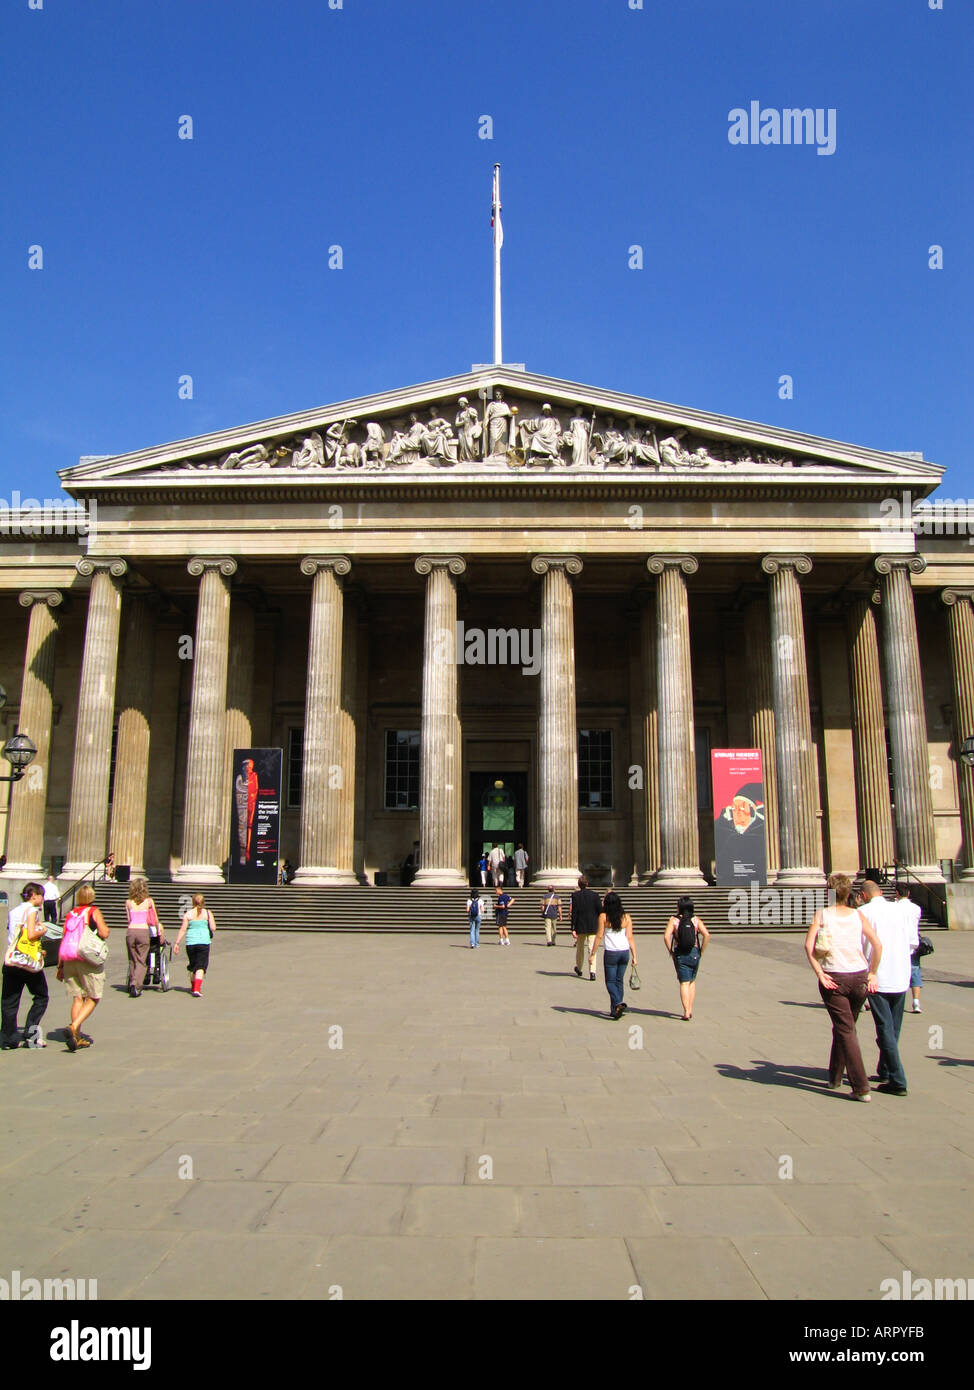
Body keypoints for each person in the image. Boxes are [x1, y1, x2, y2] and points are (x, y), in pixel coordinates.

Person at [804, 872, 882, 1101]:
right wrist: (873, 973)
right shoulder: (858, 916)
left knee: (846, 1030)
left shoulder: (823, 914)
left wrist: (820, 972)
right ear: (849, 892)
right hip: (859, 978)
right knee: (845, 1027)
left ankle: (861, 1087)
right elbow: (877, 945)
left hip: (834, 977)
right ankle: (835, 1076)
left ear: (829, 891)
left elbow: (809, 947)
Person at [858, 880, 912, 1096]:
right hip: (901, 974)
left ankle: (898, 1079)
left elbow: (860, 945)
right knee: (894, 1027)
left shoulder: (862, 912)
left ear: (863, 895)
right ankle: (885, 1069)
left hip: (877, 976)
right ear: (881, 892)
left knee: (884, 1027)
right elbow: (911, 943)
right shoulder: (901, 911)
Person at [58, 884, 110, 1051]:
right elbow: (104, 933)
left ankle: (77, 1037)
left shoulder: (70, 914)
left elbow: (64, 938)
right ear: (91, 898)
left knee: (77, 998)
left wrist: (60, 966)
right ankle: (74, 1027)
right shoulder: (93, 911)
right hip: (86, 958)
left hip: (69, 958)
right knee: (94, 997)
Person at [2, 882, 48, 1049]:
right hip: (27, 961)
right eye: (41, 895)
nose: (43, 899)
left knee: (10, 1000)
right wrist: (42, 930)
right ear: (34, 895)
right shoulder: (32, 910)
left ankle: (8, 1039)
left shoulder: (14, 911)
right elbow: (30, 933)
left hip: (12, 959)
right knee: (41, 996)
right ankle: (32, 1035)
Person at [590, 891, 637, 1020]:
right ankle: (615, 1010)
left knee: (610, 982)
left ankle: (618, 1003)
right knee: (619, 981)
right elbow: (630, 937)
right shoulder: (626, 917)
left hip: (611, 953)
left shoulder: (604, 917)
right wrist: (635, 956)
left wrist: (593, 953)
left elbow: (599, 936)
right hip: (624, 952)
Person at [664, 896, 710, 1020]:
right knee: (692, 981)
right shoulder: (695, 920)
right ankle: (690, 1009)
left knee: (684, 982)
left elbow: (666, 936)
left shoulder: (673, 920)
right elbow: (706, 934)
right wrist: (701, 951)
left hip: (680, 953)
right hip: (694, 952)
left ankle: (685, 1011)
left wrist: (671, 951)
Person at [124, 879, 163, 998]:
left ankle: (132, 981)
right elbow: (155, 920)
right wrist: (159, 933)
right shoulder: (149, 901)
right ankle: (136, 985)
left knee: (132, 959)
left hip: (131, 931)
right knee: (142, 960)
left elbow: (129, 920)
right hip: (143, 931)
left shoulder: (128, 902)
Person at [174, 894, 216, 997]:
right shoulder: (207, 913)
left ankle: (193, 987)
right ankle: (197, 989)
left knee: (193, 966)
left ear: (193, 902)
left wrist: (177, 943)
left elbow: (183, 929)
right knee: (201, 966)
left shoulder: (188, 914)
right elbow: (213, 928)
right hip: (203, 942)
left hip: (191, 943)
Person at [894, 884, 923, 1012]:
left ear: (897, 893)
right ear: (909, 893)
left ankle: (897, 1000)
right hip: (913, 943)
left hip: (898, 943)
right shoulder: (916, 908)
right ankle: (916, 1001)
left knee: (898, 971)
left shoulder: (894, 908)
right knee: (915, 971)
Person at [570, 875, 601, 981]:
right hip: (593, 925)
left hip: (580, 926)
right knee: (592, 949)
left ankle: (579, 968)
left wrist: (573, 928)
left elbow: (574, 913)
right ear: (587, 884)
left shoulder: (575, 896)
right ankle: (592, 972)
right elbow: (600, 911)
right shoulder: (595, 895)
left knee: (580, 949)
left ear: (579, 885)